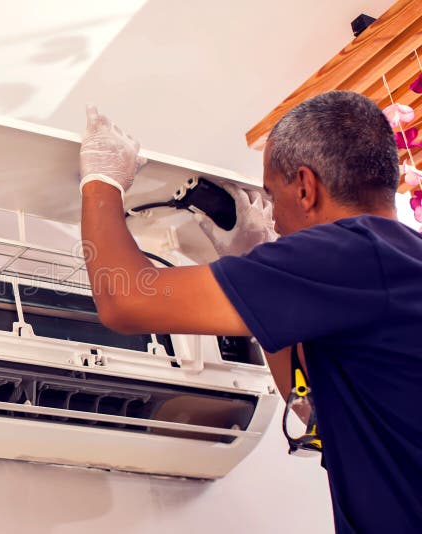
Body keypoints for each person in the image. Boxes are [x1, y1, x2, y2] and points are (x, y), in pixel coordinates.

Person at [78, 91, 422, 534]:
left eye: (273, 196)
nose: (274, 219)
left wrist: (102, 181)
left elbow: (124, 300)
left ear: (305, 186)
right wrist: (261, 280)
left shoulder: (353, 253)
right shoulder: (398, 261)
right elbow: (311, 408)